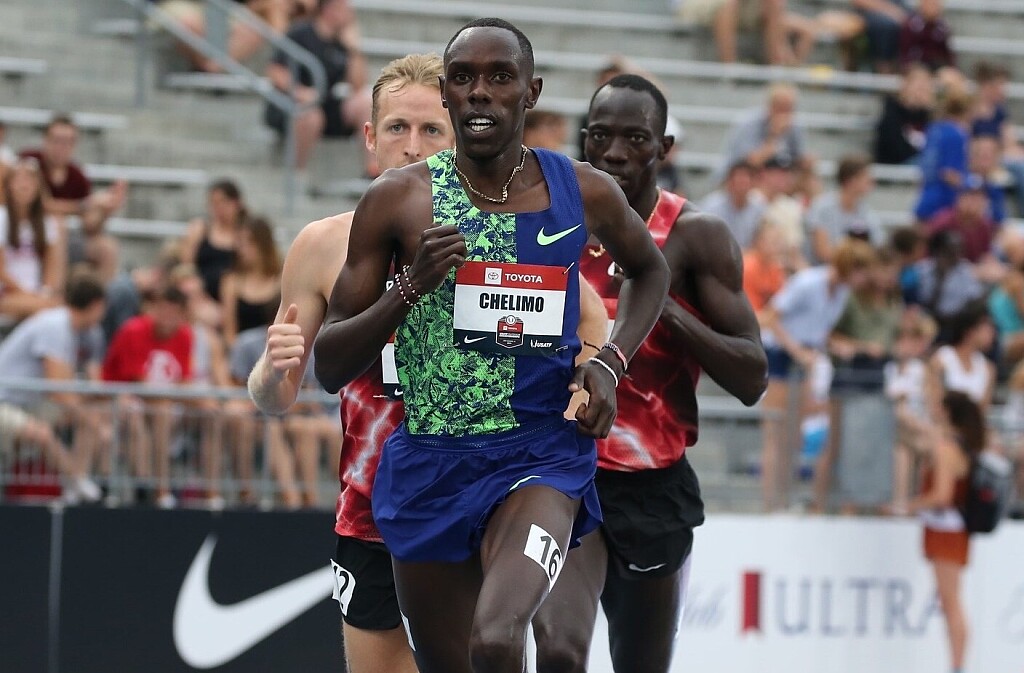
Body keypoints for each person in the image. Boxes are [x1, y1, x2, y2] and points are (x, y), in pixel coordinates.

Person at [312, 20, 670, 673]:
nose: (480, 92)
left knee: (499, 639)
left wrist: (610, 363)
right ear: (447, 95)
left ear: (530, 92)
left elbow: (650, 270)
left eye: (500, 77)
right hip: (431, 462)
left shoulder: (582, 189)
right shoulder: (399, 199)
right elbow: (331, 362)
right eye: (463, 79)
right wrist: (409, 287)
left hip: (540, 455)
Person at [248, 52, 609, 673]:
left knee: (490, 648)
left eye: (430, 129)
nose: (413, 146)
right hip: (371, 509)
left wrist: (590, 371)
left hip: (480, 488)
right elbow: (277, 393)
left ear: (458, 132)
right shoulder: (323, 245)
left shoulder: (495, 231)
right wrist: (271, 371)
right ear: (370, 137)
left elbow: (592, 316)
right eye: (397, 128)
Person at [534, 73, 767, 673]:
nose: (614, 153)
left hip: (650, 484)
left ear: (664, 148)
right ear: (584, 140)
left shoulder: (695, 236)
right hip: (563, 470)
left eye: (635, 139)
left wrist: (664, 307)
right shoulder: (545, 223)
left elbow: (752, 377)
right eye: (601, 136)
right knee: (558, 651)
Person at [758, 239, 876, 511]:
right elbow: (771, 317)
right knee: (776, 432)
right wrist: (797, 350)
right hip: (779, 353)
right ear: (851, 268)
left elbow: (818, 329)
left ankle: (784, 499)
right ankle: (770, 503)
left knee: (793, 435)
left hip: (805, 358)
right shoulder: (808, 283)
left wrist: (834, 347)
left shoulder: (842, 293)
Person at [0, 271, 109, 502]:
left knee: (91, 417)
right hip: (4, 403)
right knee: (43, 434)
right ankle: (77, 482)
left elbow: (66, 388)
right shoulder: (56, 325)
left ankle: (74, 488)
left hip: (22, 404)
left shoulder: (68, 328)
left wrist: (91, 418)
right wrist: (92, 421)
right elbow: (59, 392)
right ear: (96, 305)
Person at [895, 390, 982, 673]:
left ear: (946, 411)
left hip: (948, 530)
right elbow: (925, 435)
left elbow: (942, 495)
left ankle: (957, 665)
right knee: (948, 601)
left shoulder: (948, 449)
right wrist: (905, 415)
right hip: (945, 529)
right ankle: (956, 664)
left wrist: (909, 506)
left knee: (951, 601)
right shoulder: (955, 444)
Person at [102, 286, 194, 508]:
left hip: (161, 402)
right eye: (161, 310)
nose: (165, 318)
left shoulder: (185, 335)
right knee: (143, 415)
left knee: (207, 413)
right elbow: (137, 382)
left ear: (182, 315)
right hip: (119, 396)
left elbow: (183, 381)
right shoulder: (133, 330)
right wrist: (168, 400)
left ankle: (168, 489)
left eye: (172, 313)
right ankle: (147, 486)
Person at [263, 0, 372, 173]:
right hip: (291, 105)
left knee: (366, 102)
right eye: (344, 9)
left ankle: (372, 170)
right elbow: (275, 71)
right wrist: (301, 92)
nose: (350, 15)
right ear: (329, 10)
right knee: (311, 115)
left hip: (324, 104)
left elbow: (358, 85)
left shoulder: (341, 41)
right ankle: (296, 175)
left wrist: (354, 49)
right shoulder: (301, 32)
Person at [0, 158, 63, 321]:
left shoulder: (47, 223)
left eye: (29, 179)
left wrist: (45, 292)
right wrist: (29, 295)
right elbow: (1, 272)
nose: (24, 185)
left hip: (36, 295)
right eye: (18, 180)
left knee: (55, 307)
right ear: (8, 186)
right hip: (7, 294)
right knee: (55, 310)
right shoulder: (1, 218)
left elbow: (51, 268)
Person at [180, 178, 247, 324]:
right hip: (201, 297)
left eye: (223, 202)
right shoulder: (200, 230)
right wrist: (200, 295)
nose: (219, 208)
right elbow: (186, 267)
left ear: (237, 203)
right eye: (213, 203)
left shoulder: (246, 234)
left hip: (234, 297)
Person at [806, 154, 884, 263]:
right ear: (850, 181)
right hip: (824, 269)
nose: (871, 181)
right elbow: (823, 252)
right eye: (865, 177)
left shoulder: (866, 211)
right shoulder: (822, 207)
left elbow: (877, 248)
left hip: (856, 270)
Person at [719, 83, 809, 178]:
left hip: (773, 176)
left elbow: (798, 160)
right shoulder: (748, 123)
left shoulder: (795, 126)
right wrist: (775, 136)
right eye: (780, 107)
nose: (784, 114)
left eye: (789, 108)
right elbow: (748, 164)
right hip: (737, 176)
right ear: (769, 106)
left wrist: (806, 164)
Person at [971, 61, 1024, 219]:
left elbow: (1009, 142)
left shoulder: (999, 112)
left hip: (996, 157)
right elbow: (966, 140)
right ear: (987, 86)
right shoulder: (971, 110)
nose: (1003, 91)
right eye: (999, 86)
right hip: (976, 158)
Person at [220, 216, 281, 347]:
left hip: (274, 348)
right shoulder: (232, 282)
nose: (242, 249)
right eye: (240, 243)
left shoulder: (280, 281)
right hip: (242, 351)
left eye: (249, 242)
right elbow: (229, 331)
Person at [914, 90, 972, 222]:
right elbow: (949, 174)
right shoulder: (956, 135)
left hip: (926, 197)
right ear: (967, 112)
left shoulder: (934, 129)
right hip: (944, 203)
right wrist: (971, 184)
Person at [18, 115, 91, 217]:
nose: (60, 147)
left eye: (67, 142)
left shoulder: (79, 179)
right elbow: (26, 200)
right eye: (56, 140)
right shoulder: (28, 160)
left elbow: (89, 220)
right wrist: (78, 207)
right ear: (45, 139)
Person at [925, 175, 997, 264]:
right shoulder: (943, 222)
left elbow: (985, 255)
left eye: (978, 197)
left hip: (972, 268)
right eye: (968, 196)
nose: (973, 202)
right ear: (958, 198)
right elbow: (929, 257)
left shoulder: (985, 224)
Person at [698, 160, 766, 249]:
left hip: (748, 255)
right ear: (729, 182)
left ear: (753, 183)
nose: (742, 187)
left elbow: (761, 240)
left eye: (745, 183)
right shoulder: (711, 207)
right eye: (739, 182)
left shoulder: (759, 207)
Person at [874, 63, 934, 165]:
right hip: (897, 168)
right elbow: (895, 151)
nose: (923, 89)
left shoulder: (932, 116)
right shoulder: (891, 114)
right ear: (905, 85)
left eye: (926, 84)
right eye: (919, 84)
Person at [899, 0, 955, 73]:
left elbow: (947, 54)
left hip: (937, 66)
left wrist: (950, 68)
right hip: (916, 64)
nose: (933, 7)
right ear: (921, 6)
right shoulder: (911, 26)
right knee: (919, 75)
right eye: (929, 4)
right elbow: (905, 53)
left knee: (950, 75)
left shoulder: (942, 27)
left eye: (935, 4)